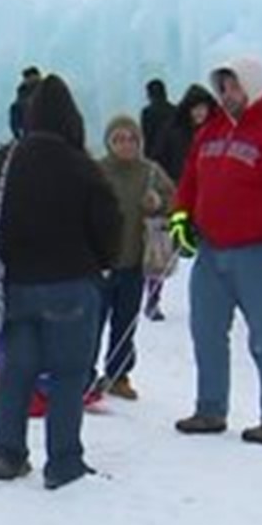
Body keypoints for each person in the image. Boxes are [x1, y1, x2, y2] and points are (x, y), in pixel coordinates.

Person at [0, 74, 121, 489]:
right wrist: (98, 262)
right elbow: (109, 228)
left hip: (15, 287)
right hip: (72, 287)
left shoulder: (2, 163)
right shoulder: (84, 168)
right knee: (68, 377)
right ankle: (64, 463)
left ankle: (7, 454)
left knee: (15, 371)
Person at [166, 56, 262, 447]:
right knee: (206, 332)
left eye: (233, 86)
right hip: (212, 251)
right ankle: (210, 408)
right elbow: (190, 182)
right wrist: (182, 217)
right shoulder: (210, 132)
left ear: (252, 85)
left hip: (260, 251)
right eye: (222, 87)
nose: (227, 95)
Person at [95, 114, 175, 400]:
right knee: (93, 321)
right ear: (109, 142)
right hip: (100, 263)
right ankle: (84, 375)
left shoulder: (150, 172)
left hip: (134, 261)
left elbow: (174, 202)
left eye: (131, 138)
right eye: (118, 139)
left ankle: (118, 375)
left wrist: (160, 203)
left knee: (125, 322)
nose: (125, 144)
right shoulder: (97, 170)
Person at [145, 83, 214, 320]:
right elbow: (157, 159)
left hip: (208, 196)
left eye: (203, 108)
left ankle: (213, 300)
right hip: (177, 194)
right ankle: (153, 298)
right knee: (164, 251)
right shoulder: (173, 130)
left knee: (212, 250)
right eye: (195, 109)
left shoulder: (217, 132)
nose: (199, 113)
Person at [139, 78, 176, 162]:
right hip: (173, 156)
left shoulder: (147, 112)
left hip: (153, 155)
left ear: (149, 94)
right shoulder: (175, 111)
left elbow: (146, 136)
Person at [7, 66, 43, 142]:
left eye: (31, 77)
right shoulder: (22, 96)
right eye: (27, 78)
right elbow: (15, 117)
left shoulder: (46, 91)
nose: (30, 80)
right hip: (29, 134)